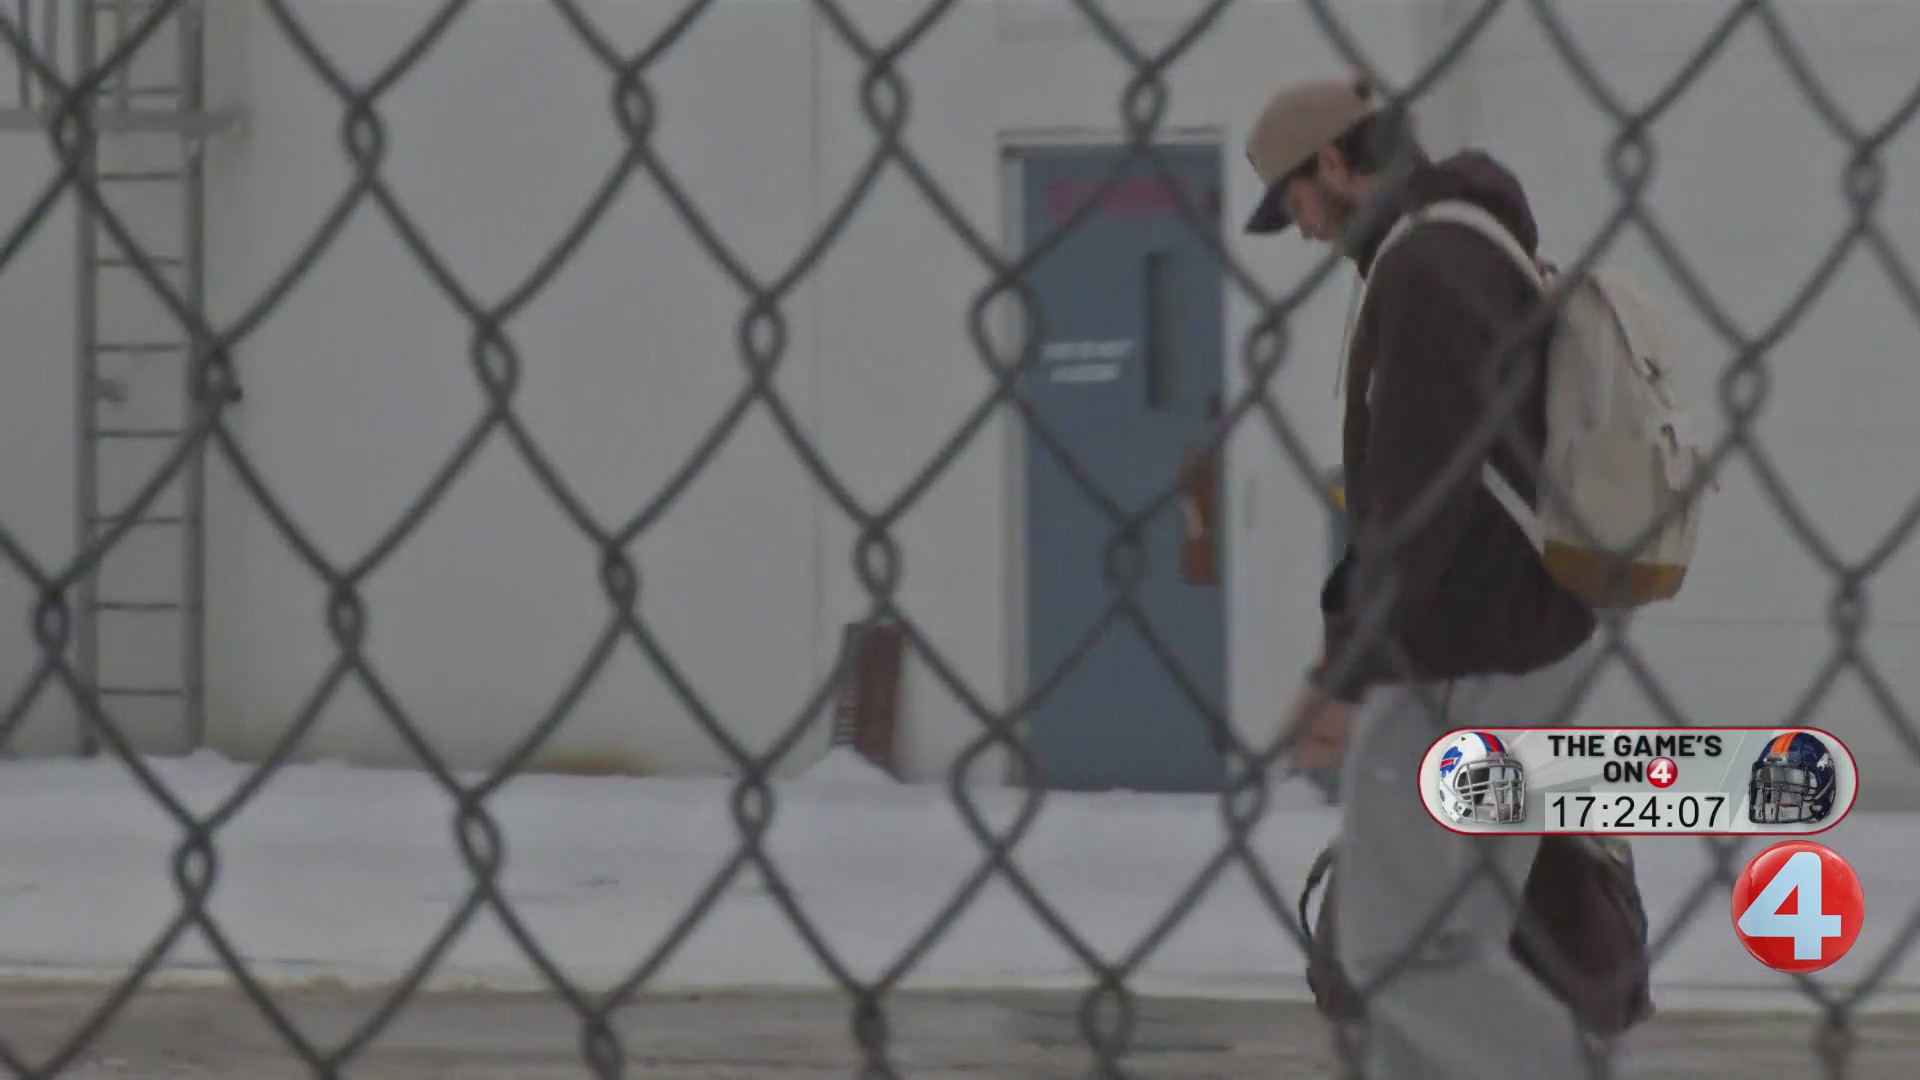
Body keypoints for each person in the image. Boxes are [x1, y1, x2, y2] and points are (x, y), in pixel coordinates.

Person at [1244, 73, 1609, 1078]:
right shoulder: (1465, 240)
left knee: (1398, 953)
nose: (1304, 231)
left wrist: (1349, 675)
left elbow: (1420, 502)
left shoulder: (1430, 265)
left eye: (1295, 204)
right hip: (1517, 637)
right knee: (1444, 948)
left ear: (1332, 163)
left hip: (1471, 652)